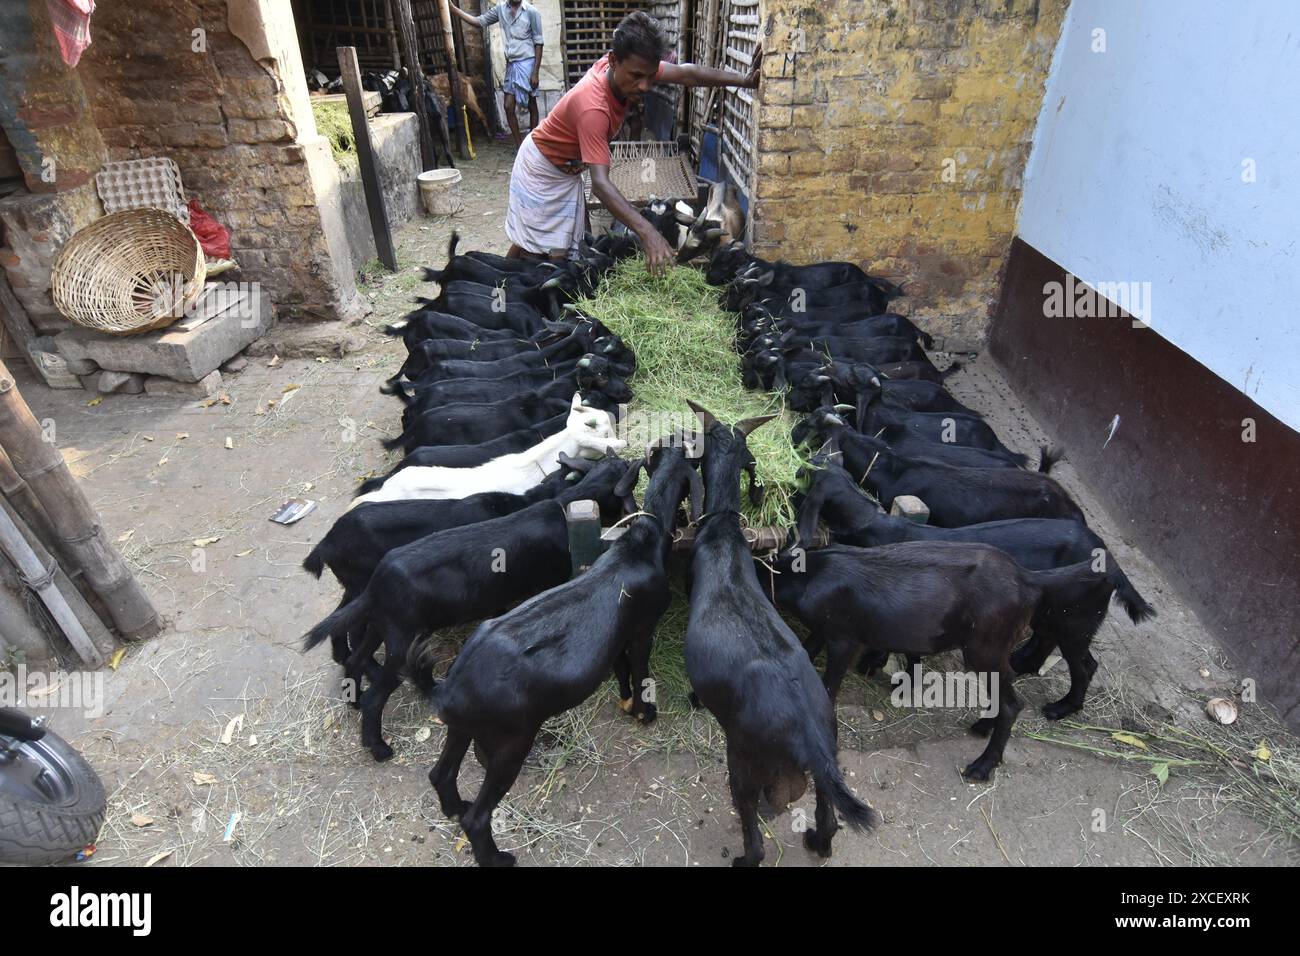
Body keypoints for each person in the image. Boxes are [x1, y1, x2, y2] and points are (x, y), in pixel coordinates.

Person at [507, 12, 760, 276]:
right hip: (542, 170)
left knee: (550, 242)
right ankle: (508, 292)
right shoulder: (593, 107)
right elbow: (602, 185)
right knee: (545, 256)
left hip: (566, 170)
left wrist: (744, 80)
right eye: (638, 76)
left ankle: (500, 282)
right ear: (613, 61)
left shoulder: (630, 66)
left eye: (651, 76)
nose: (645, 86)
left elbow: (687, 74)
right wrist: (648, 232)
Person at [451, 0, 544, 148]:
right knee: (508, 106)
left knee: (532, 103)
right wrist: (455, 10)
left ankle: (533, 144)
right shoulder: (500, 9)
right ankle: (520, 146)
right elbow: (479, 21)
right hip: (512, 65)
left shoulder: (531, 12)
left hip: (528, 63)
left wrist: (535, 72)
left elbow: (539, 43)